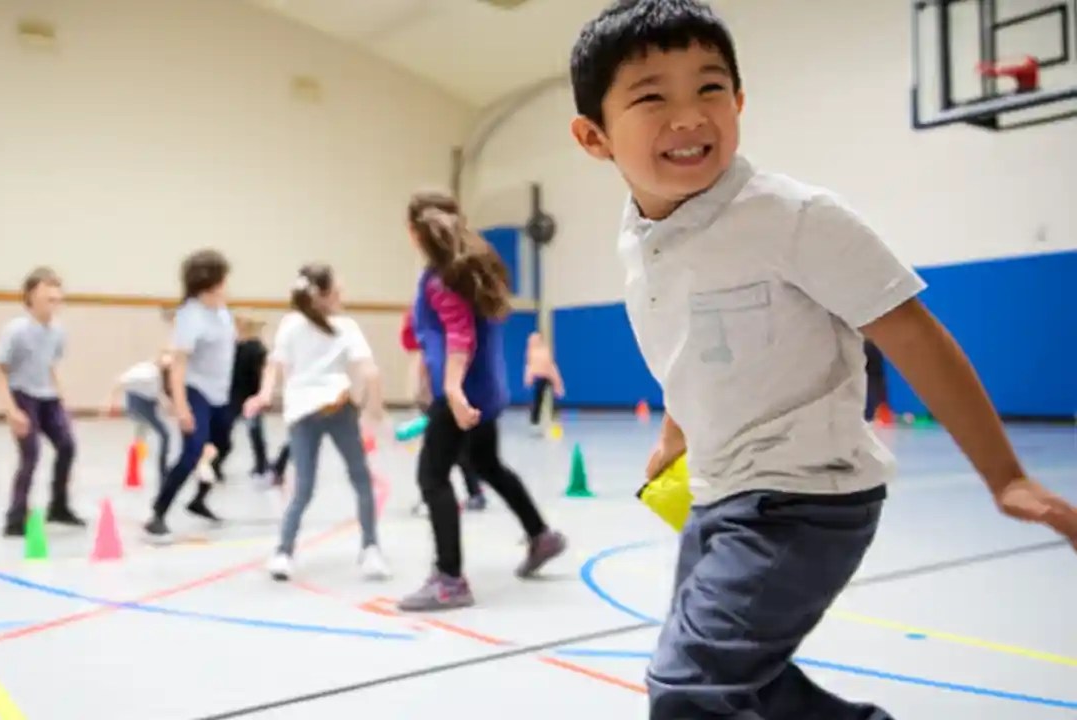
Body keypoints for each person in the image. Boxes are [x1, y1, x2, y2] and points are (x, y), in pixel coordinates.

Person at [567, 1, 1077, 717]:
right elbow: (697, 346)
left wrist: (1009, 476)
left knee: (688, 691)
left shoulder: (793, 217)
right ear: (595, 137)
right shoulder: (640, 237)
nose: (688, 116)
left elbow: (913, 334)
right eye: (652, 97)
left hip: (804, 499)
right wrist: (674, 436)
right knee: (755, 686)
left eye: (709, 88)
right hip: (717, 495)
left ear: (739, 101)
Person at [399, 190, 567, 612]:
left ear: (414, 231)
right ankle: (540, 535)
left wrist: (451, 389)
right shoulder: (477, 263)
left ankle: (449, 579)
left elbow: (460, 337)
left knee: (432, 479)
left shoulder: (442, 278)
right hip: (487, 390)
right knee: (488, 464)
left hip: (462, 395)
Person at [244, 264, 390, 581]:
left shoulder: (290, 325)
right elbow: (371, 372)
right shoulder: (345, 327)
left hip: (302, 412)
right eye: (338, 290)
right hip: (339, 407)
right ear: (324, 296)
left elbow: (274, 365)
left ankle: (283, 552)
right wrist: (373, 408)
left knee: (303, 488)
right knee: (361, 480)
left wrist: (265, 394)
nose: (343, 295)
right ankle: (371, 550)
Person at [145, 249, 237, 540]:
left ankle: (198, 499)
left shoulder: (222, 311)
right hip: (196, 391)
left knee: (223, 444)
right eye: (224, 278)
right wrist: (181, 406)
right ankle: (158, 512)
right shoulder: (190, 316)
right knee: (192, 450)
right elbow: (178, 365)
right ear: (211, 281)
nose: (227, 284)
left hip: (220, 393)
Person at [0, 267, 85, 537]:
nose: (54, 303)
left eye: (57, 298)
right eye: (48, 297)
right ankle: (15, 517)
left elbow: (51, 366)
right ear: (31, 298)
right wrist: (11, 411)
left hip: (48, 398)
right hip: (23, 396)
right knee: (30, 455)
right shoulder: (16, 330)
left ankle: (58, 506)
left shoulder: (58, 331)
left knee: (67, 446)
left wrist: (62, 401)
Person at [400, 309, 486, 514]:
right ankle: (475, 493)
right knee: (456, 448)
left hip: (441, 396)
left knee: (434, 451)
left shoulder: (425, 323)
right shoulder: (448, 323)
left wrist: (420, 394)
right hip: (450, 394)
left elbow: (422, 362)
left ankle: (433, 500)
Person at [110, 351, 174, 486]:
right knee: (164, 434)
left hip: (146, 402)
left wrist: (167, 404)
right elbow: (121, 380)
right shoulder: (147, 373)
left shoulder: (156, 374)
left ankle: (134, 470)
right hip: (139, 403)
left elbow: (157, 391)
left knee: (141, 436)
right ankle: (162, 473)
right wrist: (112, 402)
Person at [228, 317, 271, 486]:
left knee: (254, 433)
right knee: (255, 434)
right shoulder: (251, 348)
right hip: (243, 396)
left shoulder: (247, 348)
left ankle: (261, 466)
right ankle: (261, 466)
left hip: (243, 396)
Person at [524, 331, 566, 433]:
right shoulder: (531, 352)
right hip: (539, 378)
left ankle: (554, 417)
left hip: (548, 377)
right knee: (538, 399)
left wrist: (557, 382)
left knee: (552, 398)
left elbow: (550, 365)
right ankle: (535, 420)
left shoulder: (545, 350)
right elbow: (530, 366)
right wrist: (528, 378)